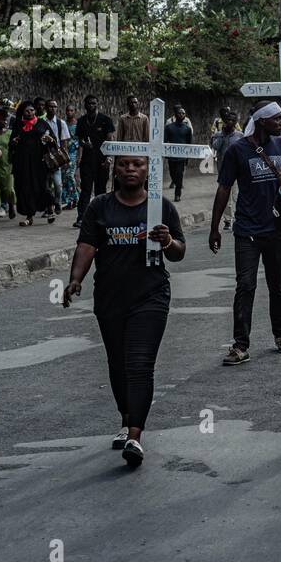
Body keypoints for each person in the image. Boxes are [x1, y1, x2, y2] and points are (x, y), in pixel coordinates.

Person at [63, 154, 186, 468]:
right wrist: (75, 280)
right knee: (118, 363)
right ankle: (125, 418)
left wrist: (168, 241)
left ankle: (135, 435)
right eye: (124, 164)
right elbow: (87, 245)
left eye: (138, 164)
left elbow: (179, 252)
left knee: (140, 363)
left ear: (148, 170)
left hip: (151, 296)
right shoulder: (100, 207)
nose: (130, 169)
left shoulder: (161, 208)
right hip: (110, 298)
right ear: (114, 169)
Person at [209, 102, 281, 364]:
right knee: (245, 286)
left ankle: (280, 334)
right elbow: (224, 188)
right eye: (277, 118)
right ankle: (240, 344)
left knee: (278, 286)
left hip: (276, 229)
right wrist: (214, 228)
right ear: (261, 121)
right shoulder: (238, 150)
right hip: (246, 229)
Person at [9, 101, 59, 225]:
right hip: (24, 163)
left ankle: (50, 208)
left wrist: (50, 139)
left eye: (32, 110)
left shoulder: (42, 124)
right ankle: (29, 216)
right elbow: (11, 144)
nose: (30, 112)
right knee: (26, 188)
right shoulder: (18, 125)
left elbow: (53, 141)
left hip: (39, 162)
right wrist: (14, 142)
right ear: (23, 112)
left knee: (42, 187)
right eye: (27, 111)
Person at [75, 95, 116, 226]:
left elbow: (110, 140)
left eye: (94, 103)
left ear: (97, 104)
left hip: (102, 161)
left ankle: (101, 217)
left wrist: (109, 159)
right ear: (85, 105)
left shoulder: (106, 120)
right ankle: (81, 217)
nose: (91, 105)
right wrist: (83, 145)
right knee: (85, 189)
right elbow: (80, 140)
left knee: (100, 190)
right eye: (89, 103)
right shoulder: (81, 121)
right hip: (87, 161)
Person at [210, 108, 242, 231]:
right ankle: (228, 220)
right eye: (227, 120)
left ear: (235, 123)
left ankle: (239, 218)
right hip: (223, 170)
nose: (229, 122)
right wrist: (223, 135)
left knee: (237, 195)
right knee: (225, 196)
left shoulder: (240, 136)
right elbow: (215, 147)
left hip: (238, 171)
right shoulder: (218, 135)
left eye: (231, 121)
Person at [164, 104, 193, 202]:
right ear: (175, 115)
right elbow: (164, 141)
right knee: (173, 174)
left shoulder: (187, 129)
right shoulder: (169, 127)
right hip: (172, 156)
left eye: (183, 113)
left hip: (182, 157)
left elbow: (189, 144)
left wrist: (187, 157)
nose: (181, 115)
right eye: (179, 113)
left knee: (179, 174)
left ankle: (177, 194)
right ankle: (177, 183)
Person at [62, 104, 80, 210]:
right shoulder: (63, 124)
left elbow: (80, 141)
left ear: (75, 111)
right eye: (67, 110)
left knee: (70, 175)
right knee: (65, 177)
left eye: (71, 110)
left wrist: (79, 156)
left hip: (73, 153)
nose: (69, 112)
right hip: (64, 153)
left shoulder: (77, 124)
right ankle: (69, 201)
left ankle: (76, 198)